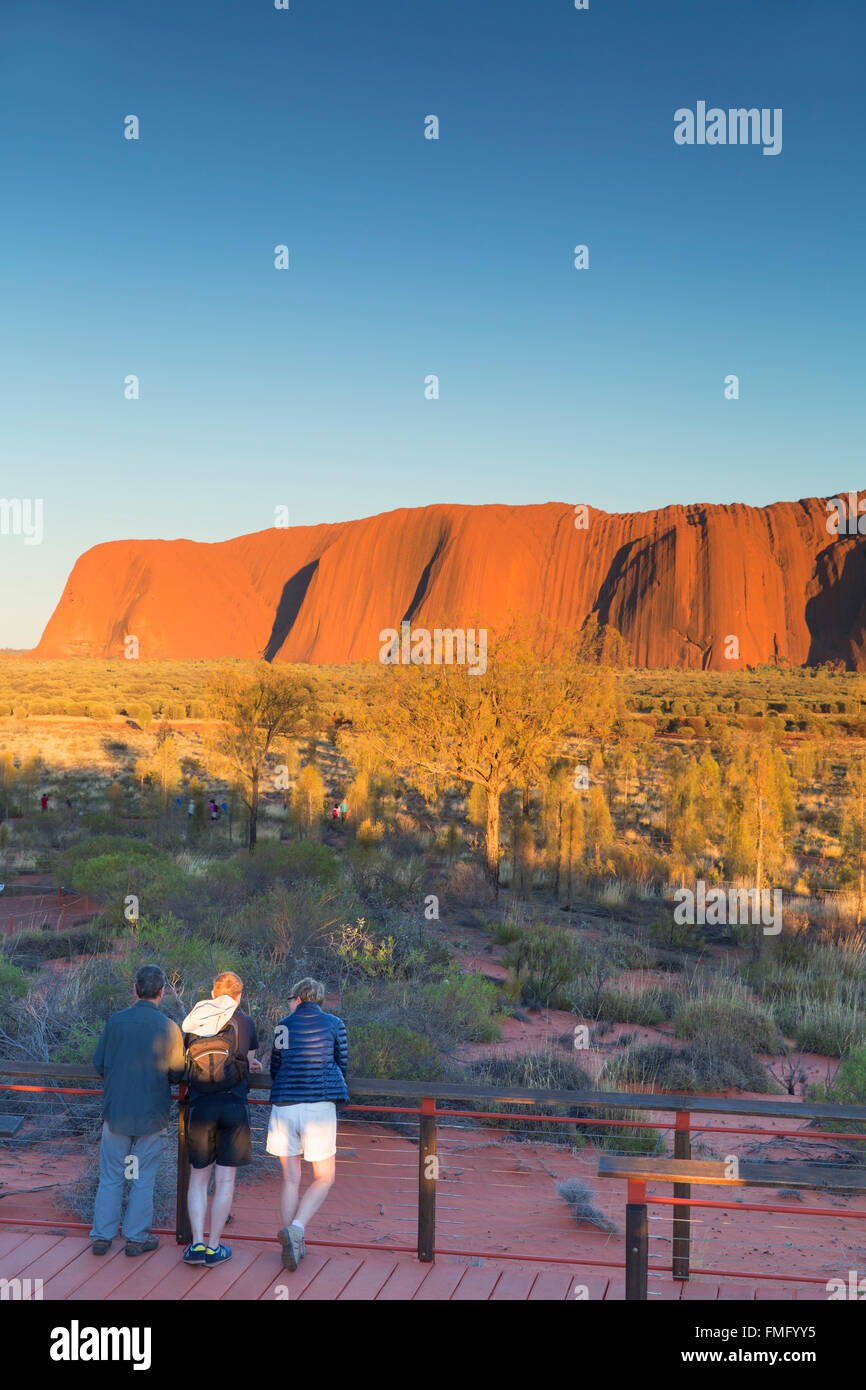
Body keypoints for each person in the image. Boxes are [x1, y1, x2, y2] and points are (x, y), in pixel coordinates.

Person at [90, 964, 185, 1257]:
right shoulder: (169, 1028)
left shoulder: (116, 1022)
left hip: (116, 1111)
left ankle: (102, 1236)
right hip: (151, 1115)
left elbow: (98, 1064)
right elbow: (178, 1074)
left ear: (135, 989)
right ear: (162, 992)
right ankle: (135, 1238)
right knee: (143, 1178)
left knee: (111, 1176)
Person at [267, 978, 348, 1271]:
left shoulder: (282, 1027)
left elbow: (275, 1067)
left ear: (298, 998)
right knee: (324, 1177)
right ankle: (297, 1230)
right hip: (319, 1106)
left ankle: (293, 1241)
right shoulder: (335, 1024)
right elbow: (342, 1062)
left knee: (290, 1178)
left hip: (285, 1105)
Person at [181, 972, 261, 1267]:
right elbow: (249, 1059)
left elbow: (184, 1060)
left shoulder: (194, 1019)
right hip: (233, 1105)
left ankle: (197, 1245)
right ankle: (215, 1247)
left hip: (200, 1107)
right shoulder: (244, 1022)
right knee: (225, 1178)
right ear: (238, 996)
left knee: (199, 1177)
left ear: (213, 993)